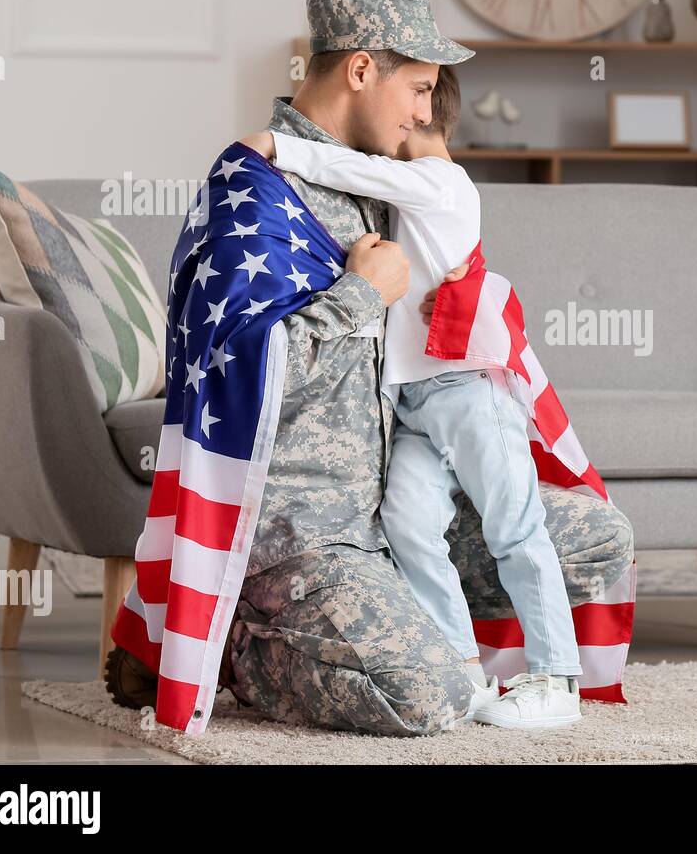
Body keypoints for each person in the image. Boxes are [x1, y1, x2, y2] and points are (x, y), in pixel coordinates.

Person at [104, 0, 634, 736]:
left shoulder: (387, 179)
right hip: (301, 538)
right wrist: (362, 295)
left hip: (396, 509)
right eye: (419, 88)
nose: (429, 111)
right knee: (432, 696)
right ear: (361, 70)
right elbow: (234, 376)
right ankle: (228, 643)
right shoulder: (252, 193)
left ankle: (409, 618)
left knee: (597, 538)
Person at [239, 64, 586, 728]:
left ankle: (558, 680)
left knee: (515, 527)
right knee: (407, 524)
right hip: (416, 404)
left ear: (423, 114)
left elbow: (367, 174)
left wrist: (280, 146)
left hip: (468, 392)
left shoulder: (441, 183)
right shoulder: (412, 202)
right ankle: (462, 667)